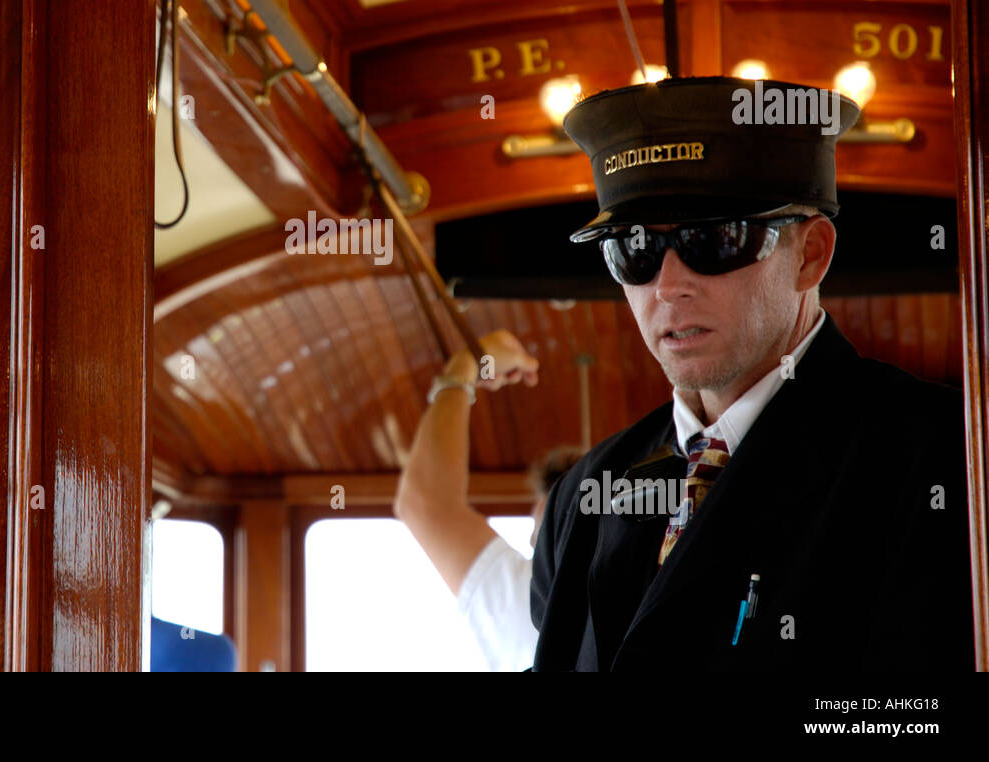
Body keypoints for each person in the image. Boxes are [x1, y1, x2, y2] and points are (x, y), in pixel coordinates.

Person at [528, 76, 973, 671]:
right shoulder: (583, 496)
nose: (668, 286)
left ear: (810, 254)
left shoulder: (944, 457)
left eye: (712, 239)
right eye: (635, 249)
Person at [395, 333, 576, 671]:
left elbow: (426, 503)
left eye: (541, 530)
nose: (535, 542)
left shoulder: (534, 598)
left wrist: (466, 366)